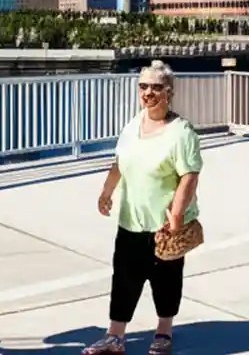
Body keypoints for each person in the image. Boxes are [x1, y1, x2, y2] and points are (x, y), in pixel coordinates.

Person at [86, 61, 202, 355]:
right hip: (130, 220)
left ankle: (164, 333)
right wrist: (106, 191)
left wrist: (176, 216)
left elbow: (189, 176)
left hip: (163, 224)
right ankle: (115, 337)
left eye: (156, 87)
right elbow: (120, 162)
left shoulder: (181, 132)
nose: (148, 92)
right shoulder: (133, 124)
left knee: (166, 280)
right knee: (123, 279)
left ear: (169, 92)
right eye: (143, 86)